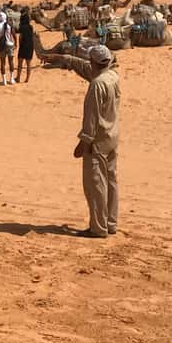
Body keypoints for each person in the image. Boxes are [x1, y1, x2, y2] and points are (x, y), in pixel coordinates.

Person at [36, 44, 120, 238]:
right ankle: (110, 223)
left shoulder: (97, 85)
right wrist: (65, 59)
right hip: (112, 137)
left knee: (96, 184)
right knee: (111, 181)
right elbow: (86, 69)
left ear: (94, 61)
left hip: (97, 141)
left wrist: (83, 143)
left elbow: (91, 117)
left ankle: (98, 228)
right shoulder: (112, 76)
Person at [0, 10, 16, 85]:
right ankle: (11, 79)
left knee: (2, 63)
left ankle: (4, 80)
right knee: (11, 62)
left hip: (1, 45)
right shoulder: (9, 25)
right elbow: (14, 35)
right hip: (9, 44)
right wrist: (15, 44)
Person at [14, 13, 35, 83]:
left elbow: (21, 37)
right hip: (30, 46)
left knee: (20, 63)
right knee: (29, 63)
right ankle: (27, 79)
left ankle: (18, 78)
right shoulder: (31, 27)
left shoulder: (22, 27)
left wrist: (19, 45)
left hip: (23, 45)